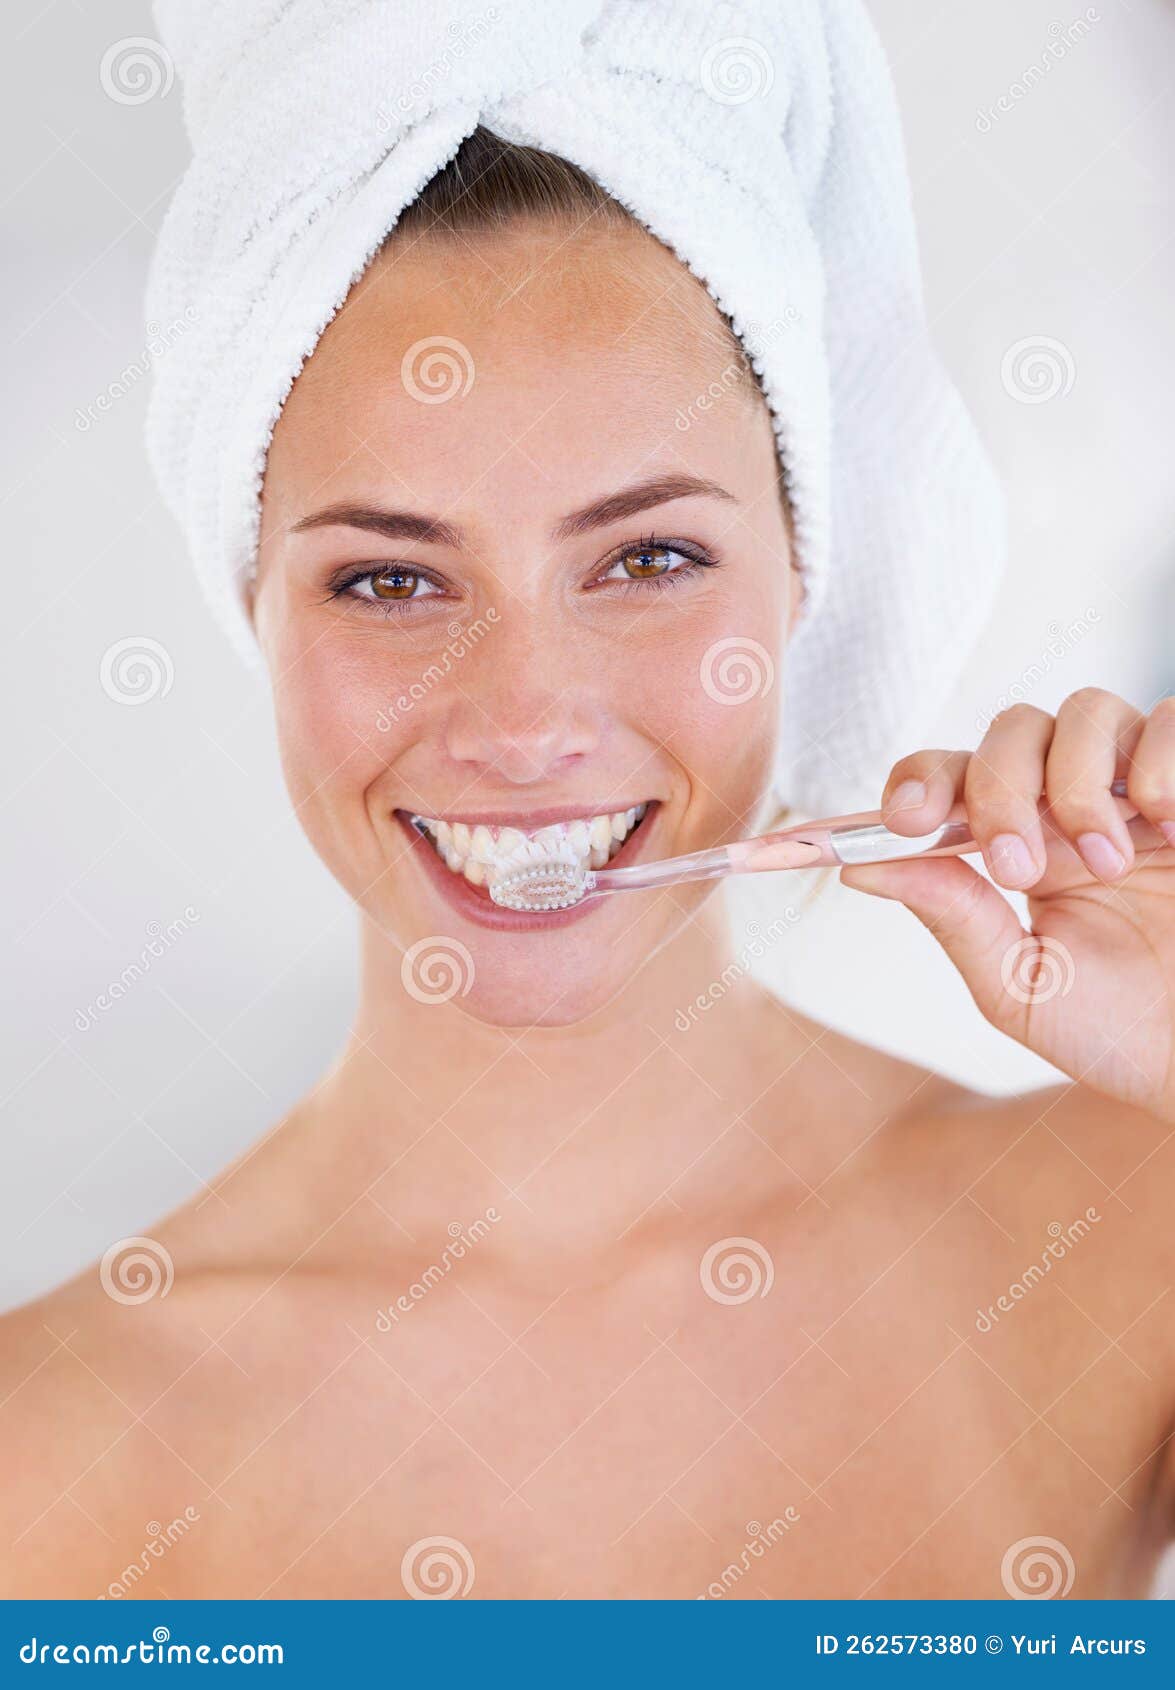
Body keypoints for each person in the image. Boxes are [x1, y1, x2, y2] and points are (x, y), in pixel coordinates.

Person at [4, 37, 1175, 1602]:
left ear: (802, 564)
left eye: (645, 560)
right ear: (253, 607)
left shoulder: (1125, 1235)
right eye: (391, 577)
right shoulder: (46, 1450)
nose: (525, 722)